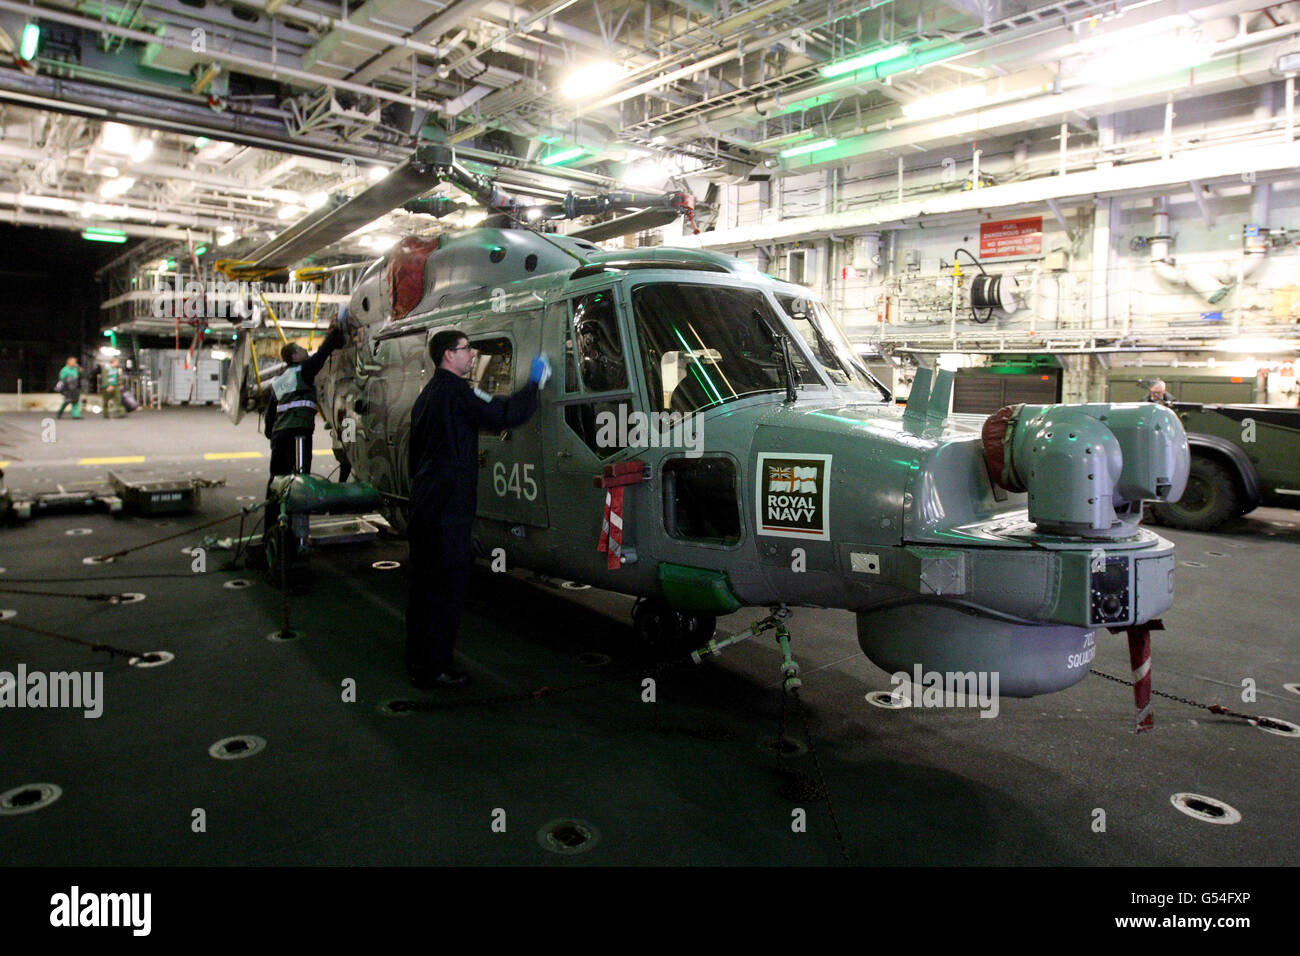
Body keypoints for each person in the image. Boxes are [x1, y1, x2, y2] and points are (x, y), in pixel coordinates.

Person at [405, 330, 550, 687]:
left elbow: (415, 453)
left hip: (425, 504)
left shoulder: (427, 396)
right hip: (448, 510)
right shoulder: (457, 393)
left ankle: (418, 661)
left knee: (424, 587)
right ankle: (435, 669)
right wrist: (534, 384)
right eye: (466, 349)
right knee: (447, 589)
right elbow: (502, 415)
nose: (472, 354)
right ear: (447, 355)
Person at [265, 314, 347, 494]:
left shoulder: (279, 380)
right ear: (295, 356)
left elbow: (269, 416)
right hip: (298, 434)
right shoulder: (304, 370)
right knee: (300, 480)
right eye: (302, 350)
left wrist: (273, 436)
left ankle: (273, 519)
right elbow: (323, 352)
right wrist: (335, 330)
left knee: (277, 479)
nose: (305, 351)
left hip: (279, 436)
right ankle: (297, 519)